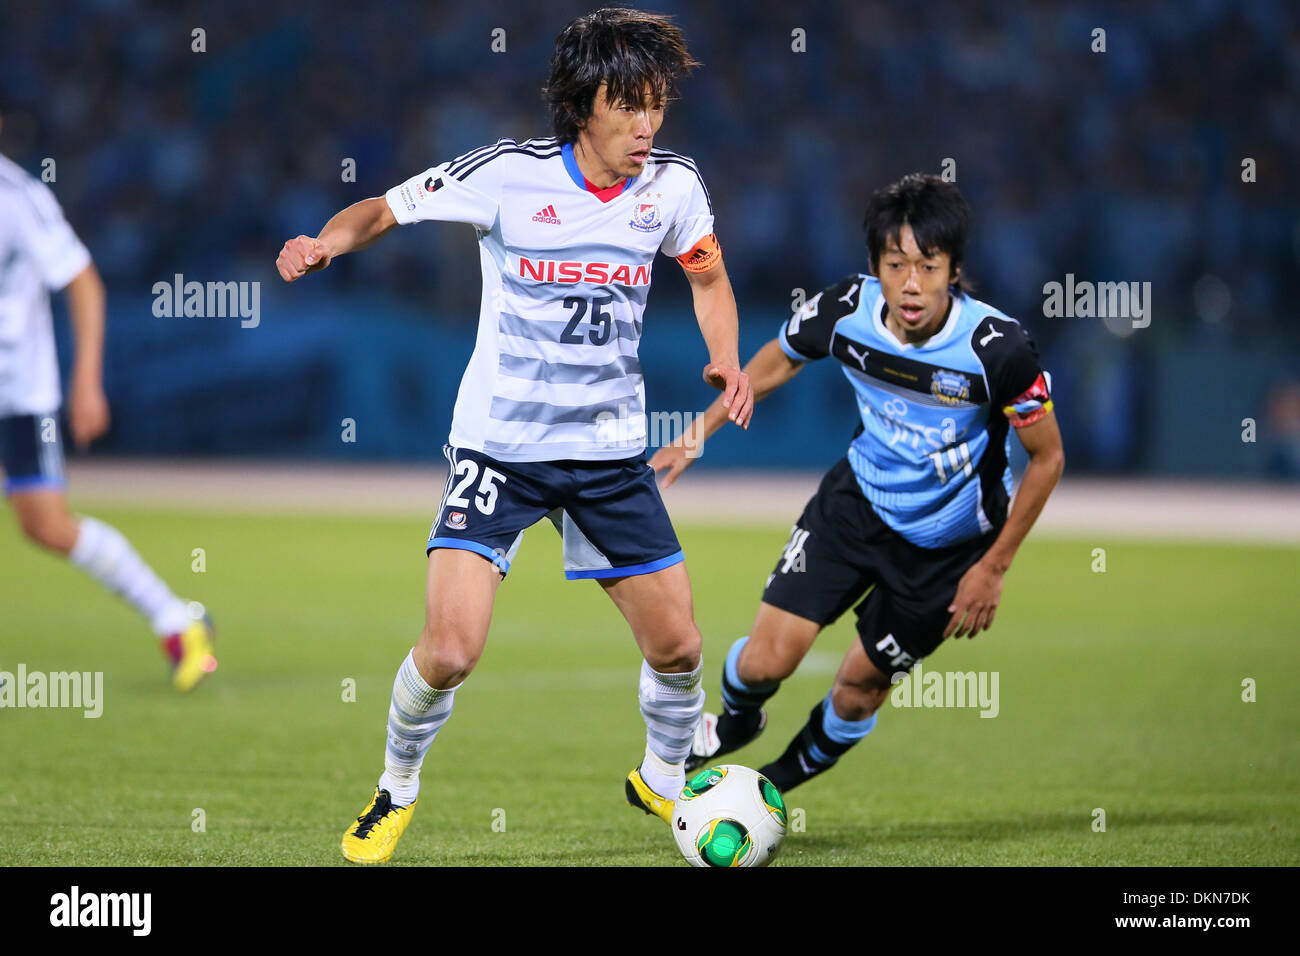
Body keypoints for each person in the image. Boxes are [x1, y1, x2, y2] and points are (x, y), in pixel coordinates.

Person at [275, 7, 753, 863]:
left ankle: (664, 775)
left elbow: (709, 280)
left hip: (609, 455)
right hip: (500, 447)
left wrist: (725, 358)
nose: (647, 125)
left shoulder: (675, 187)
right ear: (582, 105)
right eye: (628, 105)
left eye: (657, 105)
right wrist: (324, 243)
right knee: (452, 651)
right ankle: (396, 788)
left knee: (680, 647)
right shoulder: (506, 176)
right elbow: (384, 210)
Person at [651, 173, 1064, 792]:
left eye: (929, 265)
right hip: (855, 507)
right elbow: (781, 356)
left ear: (955, 270)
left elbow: (1048, 458)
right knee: (765, 662)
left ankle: (765, 789)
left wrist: (994, 567)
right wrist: (696, 434)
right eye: (896, 264)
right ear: (875, 266)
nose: (912, 283)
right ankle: (736, 724)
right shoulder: (848, 309)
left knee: (859, 688)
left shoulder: (997, 350)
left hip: (948, 550)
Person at [0, 116, 216, 691]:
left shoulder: (18, 197)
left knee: (45, 526)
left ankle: (176, 619)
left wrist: (86, 380)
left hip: (19, 390)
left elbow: (83, 280)